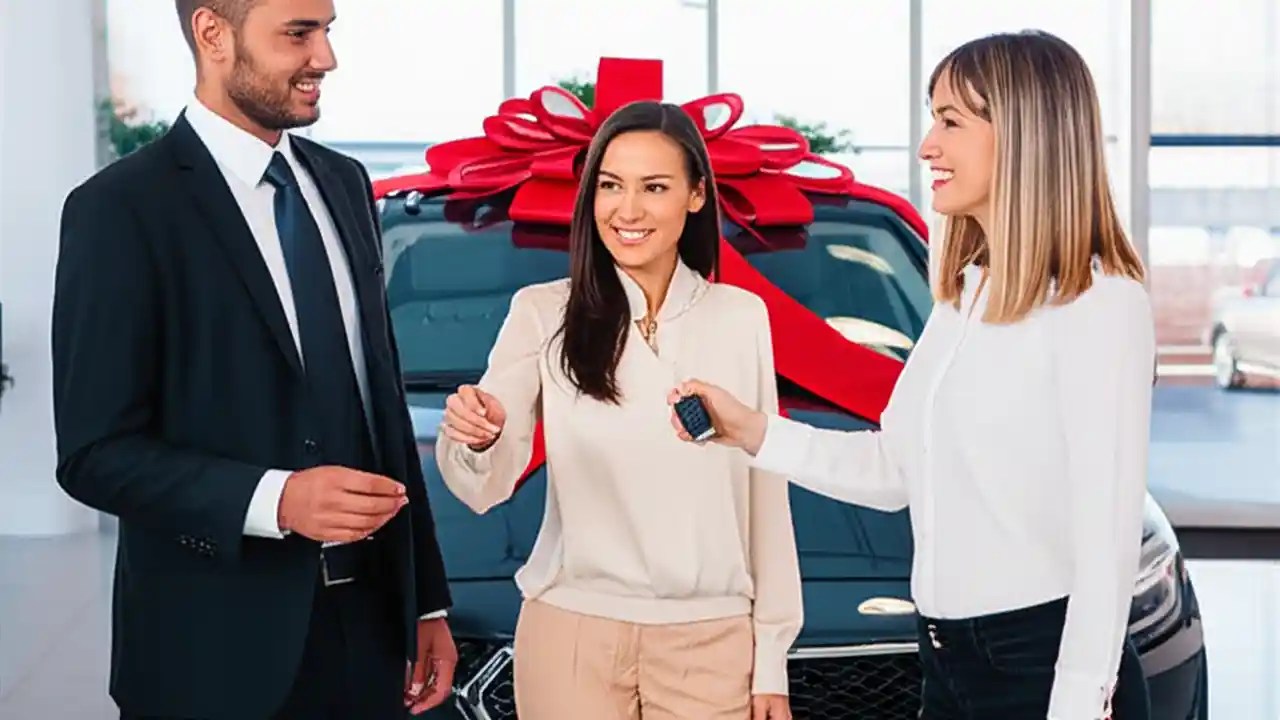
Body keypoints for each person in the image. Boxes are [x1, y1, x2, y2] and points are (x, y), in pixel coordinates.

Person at [668, 30, 1155, 720]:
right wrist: (751, 430)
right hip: (947, 663)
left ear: (1026, 135)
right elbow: (895, 470)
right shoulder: (965, 297)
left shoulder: (1099, 304)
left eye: (951, 120)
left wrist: (1077, 702)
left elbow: (1108, 541)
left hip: (1039, 670)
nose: (928, 144)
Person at [51, 1, 456, 717]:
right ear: (213, 34)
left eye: (328, 30)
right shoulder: (120, 209)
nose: (325, 57)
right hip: (211, 651)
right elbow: (95, 452)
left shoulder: (346, 185)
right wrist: (276, 499)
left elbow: (381, 402)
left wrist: (425, 601)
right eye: (299, 34)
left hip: (369, 636)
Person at [435, 100, 803, 720]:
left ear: (695, 196)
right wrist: (476, 438)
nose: (626, 210)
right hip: (572, 634)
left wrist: (771, 657)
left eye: (654, 187)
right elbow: (484, 484)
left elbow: (766, 493)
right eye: (609, 186)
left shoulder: (741, 318)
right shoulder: (542, 312)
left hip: (710, 643)